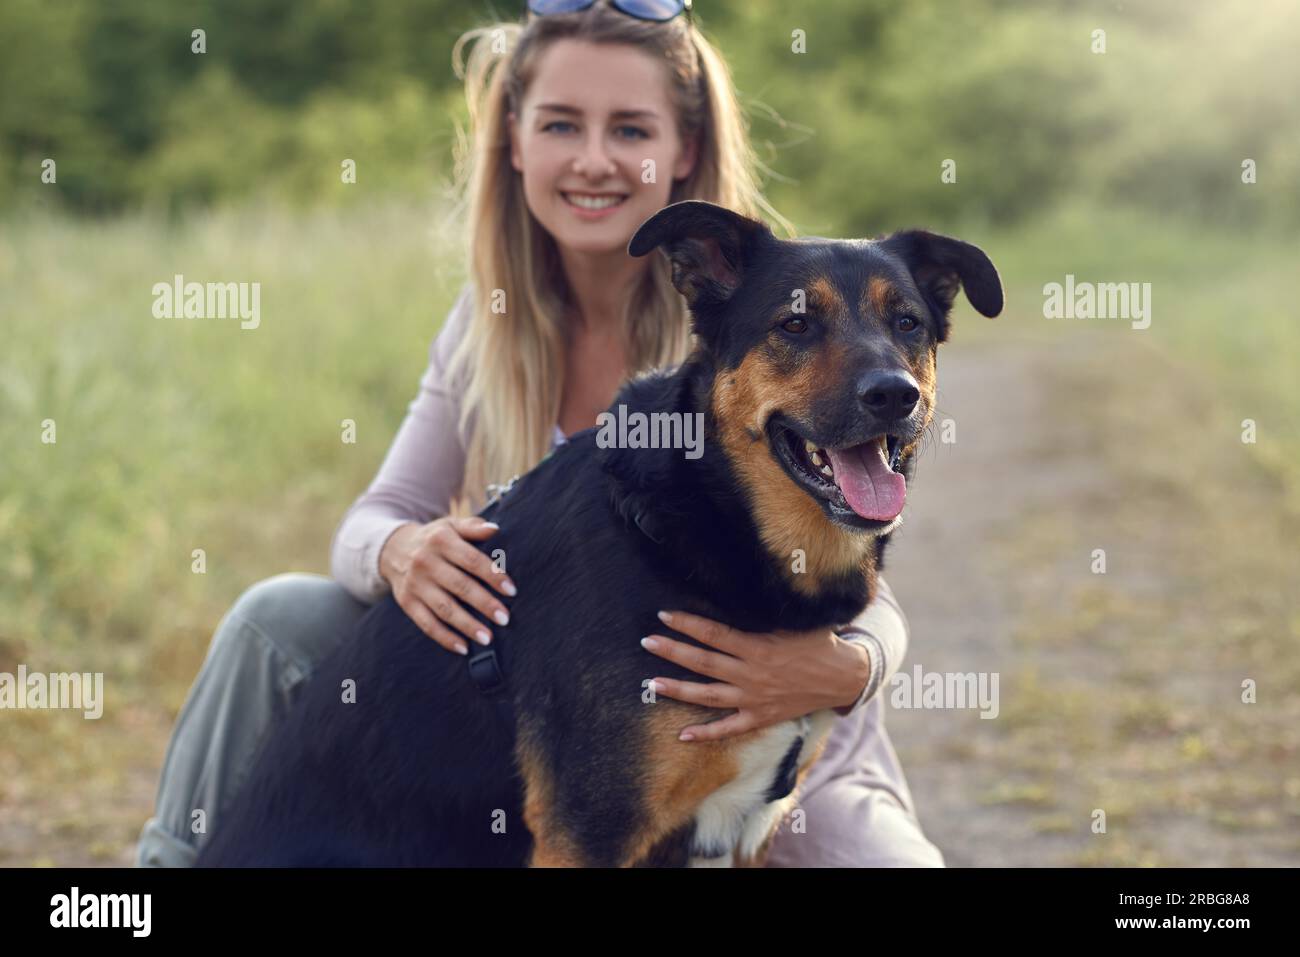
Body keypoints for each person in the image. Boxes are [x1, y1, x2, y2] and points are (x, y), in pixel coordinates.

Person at [136, 0, 943, 868]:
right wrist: (403, 549)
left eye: (629, 128)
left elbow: (853, 558)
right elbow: (377, 515)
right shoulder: (494, 321)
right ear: (515, 140)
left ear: (686, 150)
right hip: (586, 694)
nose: (594, 159)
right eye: (563, 124)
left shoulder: (761, 304)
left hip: (799, 711)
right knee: (276, 617)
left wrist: (850, 665)